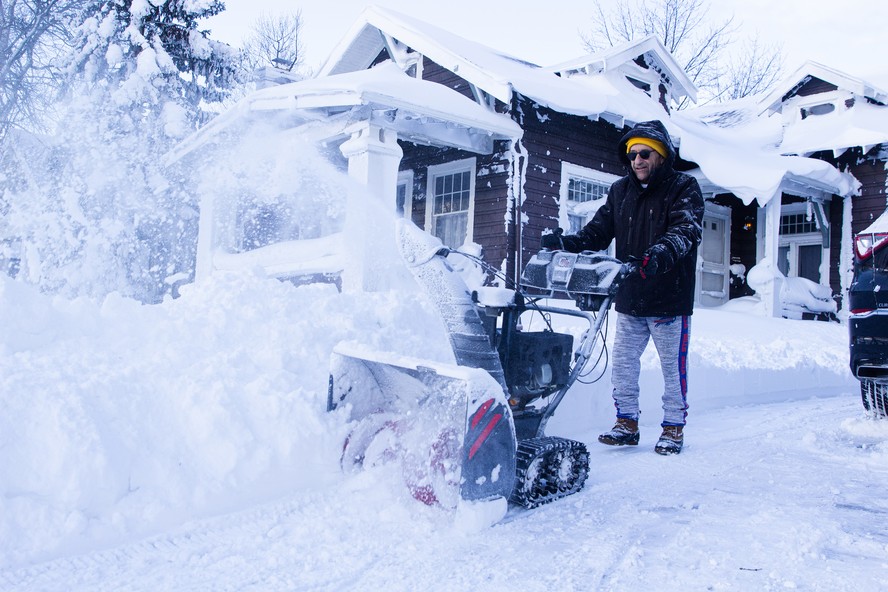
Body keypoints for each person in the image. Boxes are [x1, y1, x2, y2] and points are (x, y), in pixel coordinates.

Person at [541, 120, 704, 455]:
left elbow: (686, 230)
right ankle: (626, 423)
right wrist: (565, 243)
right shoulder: (620, 191)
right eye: (632, 156)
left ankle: (673, 426)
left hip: (669, 298)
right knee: (624, 364)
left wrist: (659, 254)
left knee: (673, 368)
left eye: (645, 154)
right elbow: (597, 234)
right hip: (630, 296)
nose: (637, 161)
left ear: (660, 156)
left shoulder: (683, 187)